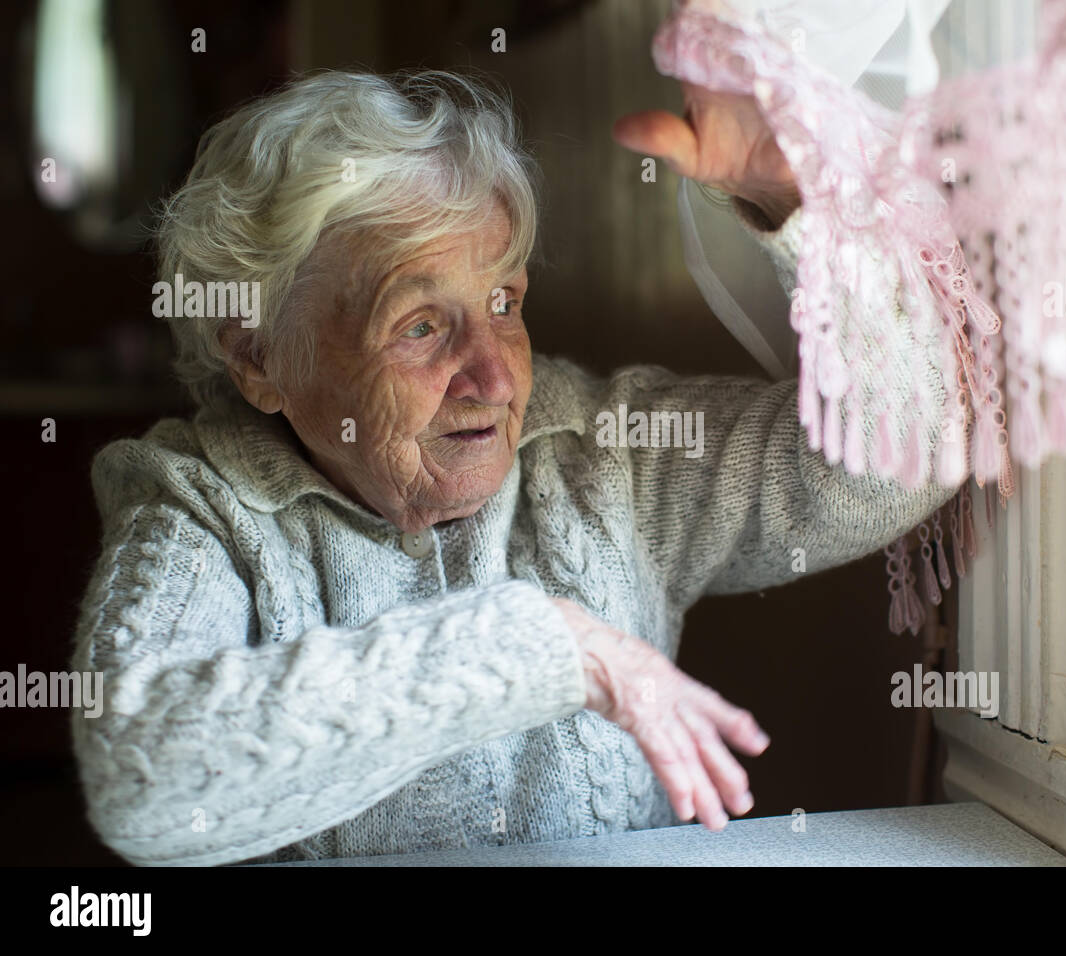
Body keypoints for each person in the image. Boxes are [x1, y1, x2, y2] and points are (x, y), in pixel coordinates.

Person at [70, 68, 954, 866]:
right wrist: (543, 648)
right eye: (420, 325)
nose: (493, 377)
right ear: (260, 358)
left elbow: (899, 458)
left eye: (504, 304)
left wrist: (806, 215)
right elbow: (140, 781)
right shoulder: (202, 505)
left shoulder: (603, 452)